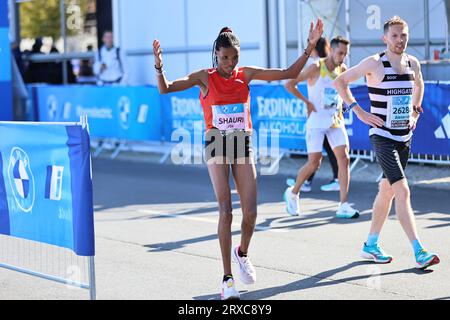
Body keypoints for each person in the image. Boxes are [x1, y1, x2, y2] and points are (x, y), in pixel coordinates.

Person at [153, 20, 323, 300]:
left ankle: (242, 252)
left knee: (251, 213)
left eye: (234, 58)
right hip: (216, 142)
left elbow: (288, 72)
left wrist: (310, 45)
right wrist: (159, 66)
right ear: (216, 55)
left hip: (242, 143)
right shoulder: (204, 77)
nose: (230, 63)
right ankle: (227, 279)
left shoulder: (246, 75)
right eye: (224, 58)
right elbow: (166, 88)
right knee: (225, 210)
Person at [334, 16, 439, 269]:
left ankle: (370, 244)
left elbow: (420, 84)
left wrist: (415, 111)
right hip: (382, 136)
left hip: (404, 136)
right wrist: (359, 111)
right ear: (385, 38)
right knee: (402, 190)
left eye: (403, 35)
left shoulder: (413, 63)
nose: (400, 40)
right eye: (394, 36)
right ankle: (419, 251)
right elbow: (340, 82)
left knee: (387, 191)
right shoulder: (374, 63)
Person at [283, 36, 359, 219]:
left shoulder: (343, 69)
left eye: (345, 54)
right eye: (340, 53)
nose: (343, 57)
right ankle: (293, 193)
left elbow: (343, 90)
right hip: (316, 121)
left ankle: (343, 205)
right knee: (314, 163)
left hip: (334, 121)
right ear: (331, 50)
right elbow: (289, 84)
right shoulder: (316, 67)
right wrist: (306, 102)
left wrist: (348, 105)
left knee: (344, 158)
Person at [285, 37, 339, 193]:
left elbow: (289, 83)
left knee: (324, 154)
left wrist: (308, 102)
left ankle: (307, 182)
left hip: (324, 117)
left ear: (315, 48)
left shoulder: (321, 66)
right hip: (323, 117)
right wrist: (308, 102)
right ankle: (308, 181)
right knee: (321, 154)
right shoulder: (320, 65)